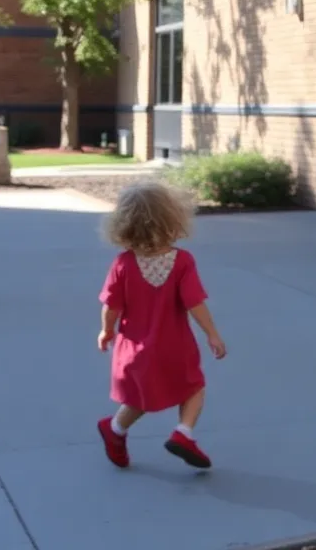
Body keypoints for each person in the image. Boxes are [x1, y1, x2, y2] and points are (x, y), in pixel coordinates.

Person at [96, 180, 227, 471]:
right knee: (193, 386)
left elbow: (112, 306)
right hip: (174, 346)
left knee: (141, 396)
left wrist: (107, 330)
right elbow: (195, 303)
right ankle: (184, 433)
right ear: (173, 218)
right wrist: (212, 334)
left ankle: (115, 430)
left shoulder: (123, 264)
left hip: (134, 349)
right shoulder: (182, 262)